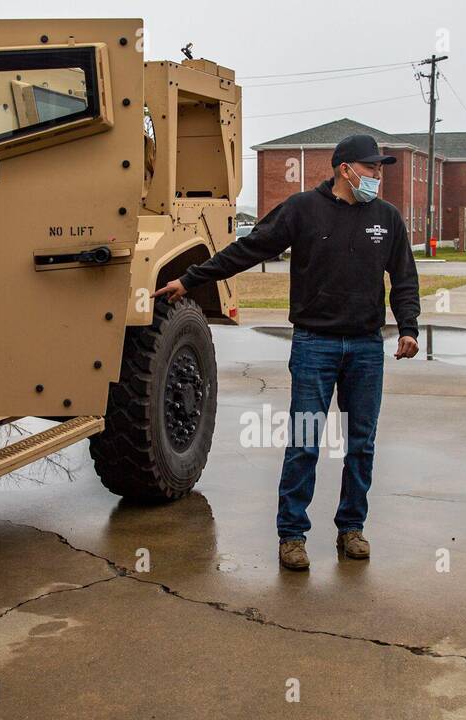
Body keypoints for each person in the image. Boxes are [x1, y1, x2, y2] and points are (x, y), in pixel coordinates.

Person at [155, 134, 421, 570]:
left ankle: (351, 528)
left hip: (367, 347)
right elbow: (249, 248)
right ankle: (292, 534)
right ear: (345, 169)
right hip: (315, 344)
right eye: (372, 168)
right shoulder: (302, 209)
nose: (378, 176)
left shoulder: (386, 218)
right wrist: (191, 279)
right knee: (304, 442)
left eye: (380, 169)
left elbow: (404, 277)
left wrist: (408, 326)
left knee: (362, 443)